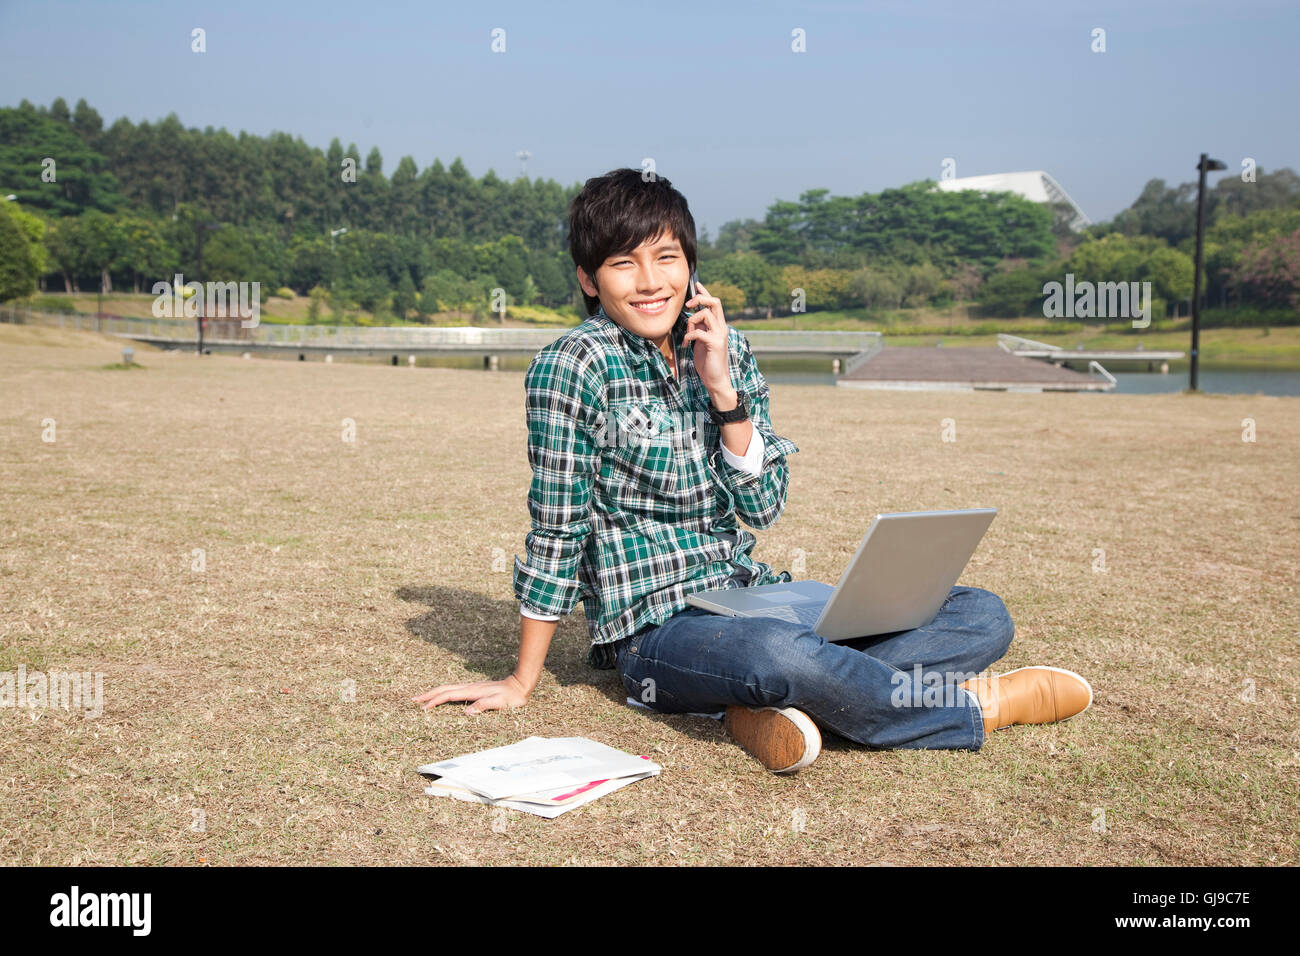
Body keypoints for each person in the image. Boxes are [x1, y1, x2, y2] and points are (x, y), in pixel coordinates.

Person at [413, 168, 1091, 773]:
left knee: (980, 614)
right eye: (624, 264)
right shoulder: (574, 365)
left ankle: (764, 707)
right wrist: (521, 681)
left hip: (750, 595)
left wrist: (725, 394)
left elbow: (763, 507)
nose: (651, 282)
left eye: (667, 258)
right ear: (591, 280)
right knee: (782, 655)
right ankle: (974, 709)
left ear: (692, 268)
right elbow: (557, 528)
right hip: (658, 631)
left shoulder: (726, 351)